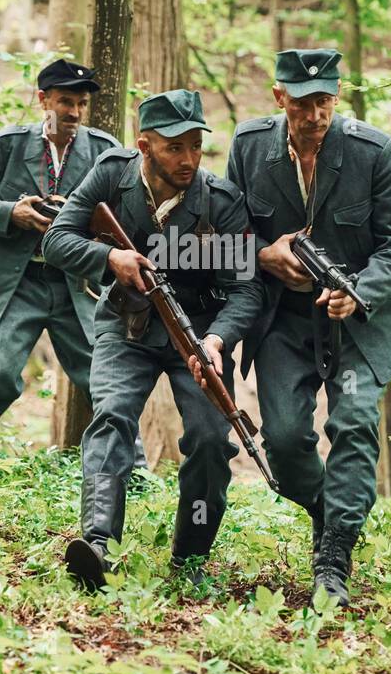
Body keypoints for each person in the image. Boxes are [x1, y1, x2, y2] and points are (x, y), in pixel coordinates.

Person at [42, 89, 263, 590]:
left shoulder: (221, 202)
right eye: (174, 148)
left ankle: (191, 560)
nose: (188, 159)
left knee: (211, 438)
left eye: (195, 146)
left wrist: (218, 341)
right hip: (129, 325)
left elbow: (246, 288)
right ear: (144, 145)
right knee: (112, 417)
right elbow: (56, 238)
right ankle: (96, 545)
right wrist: (109, 260)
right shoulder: (111, 175)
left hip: (199, 335)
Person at [225, 49, 391, 606]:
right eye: (304, 103)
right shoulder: (248, 146)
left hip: (359, 322)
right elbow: (220, 227)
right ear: (279, 97)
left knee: (355, 424)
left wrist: (358, 290)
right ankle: (326, 509)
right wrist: (263, 255)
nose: (316, 115)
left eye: (326, 101)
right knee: (284, 441)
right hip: (284, 320)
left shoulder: (374, 150)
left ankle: (333, 555)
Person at [0, 59, 145, 468]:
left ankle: (134, 471)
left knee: (105, 379)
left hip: (79, 284)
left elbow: (128, 216)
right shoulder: (8, 144)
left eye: (81, 103)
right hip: (17, 285)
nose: (73, 112)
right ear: (43, 100)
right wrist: (10, 213)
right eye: (64, 101)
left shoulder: (104, 149)